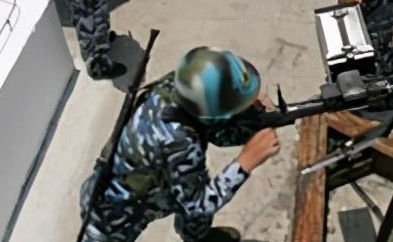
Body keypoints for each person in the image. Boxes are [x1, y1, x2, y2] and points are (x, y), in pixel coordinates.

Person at [80, 47, 281, 242]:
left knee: (195, 182)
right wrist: (245, 161)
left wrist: (248, 106)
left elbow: (216, 131)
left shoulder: (180, 84)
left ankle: (196, 236)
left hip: (159, 180)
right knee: (197, 197)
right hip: (114, 216)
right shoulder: (179, 142)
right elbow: (197, 205)